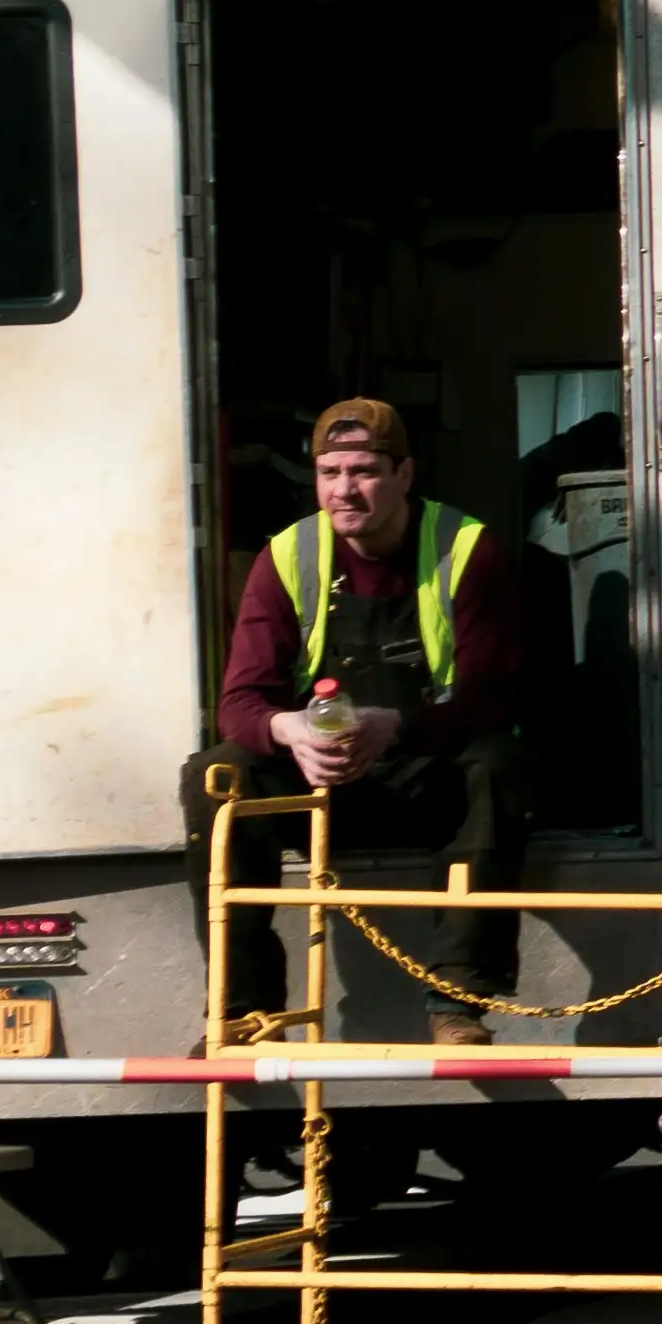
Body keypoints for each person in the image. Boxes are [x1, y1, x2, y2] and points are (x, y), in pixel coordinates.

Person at [211, 399, 562, 1041]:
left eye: (364, 471)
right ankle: (244, 1008)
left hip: (431, 779)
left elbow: (498, 698)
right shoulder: (286, 558)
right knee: (217, 775)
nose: (344, 489)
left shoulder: (466, 549)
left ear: (405, 474)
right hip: (323, 790)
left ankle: (457, 1002)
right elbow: (238, 704)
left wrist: (395, 726)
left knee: (498, 762)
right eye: (330, 472)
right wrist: (289, 732)